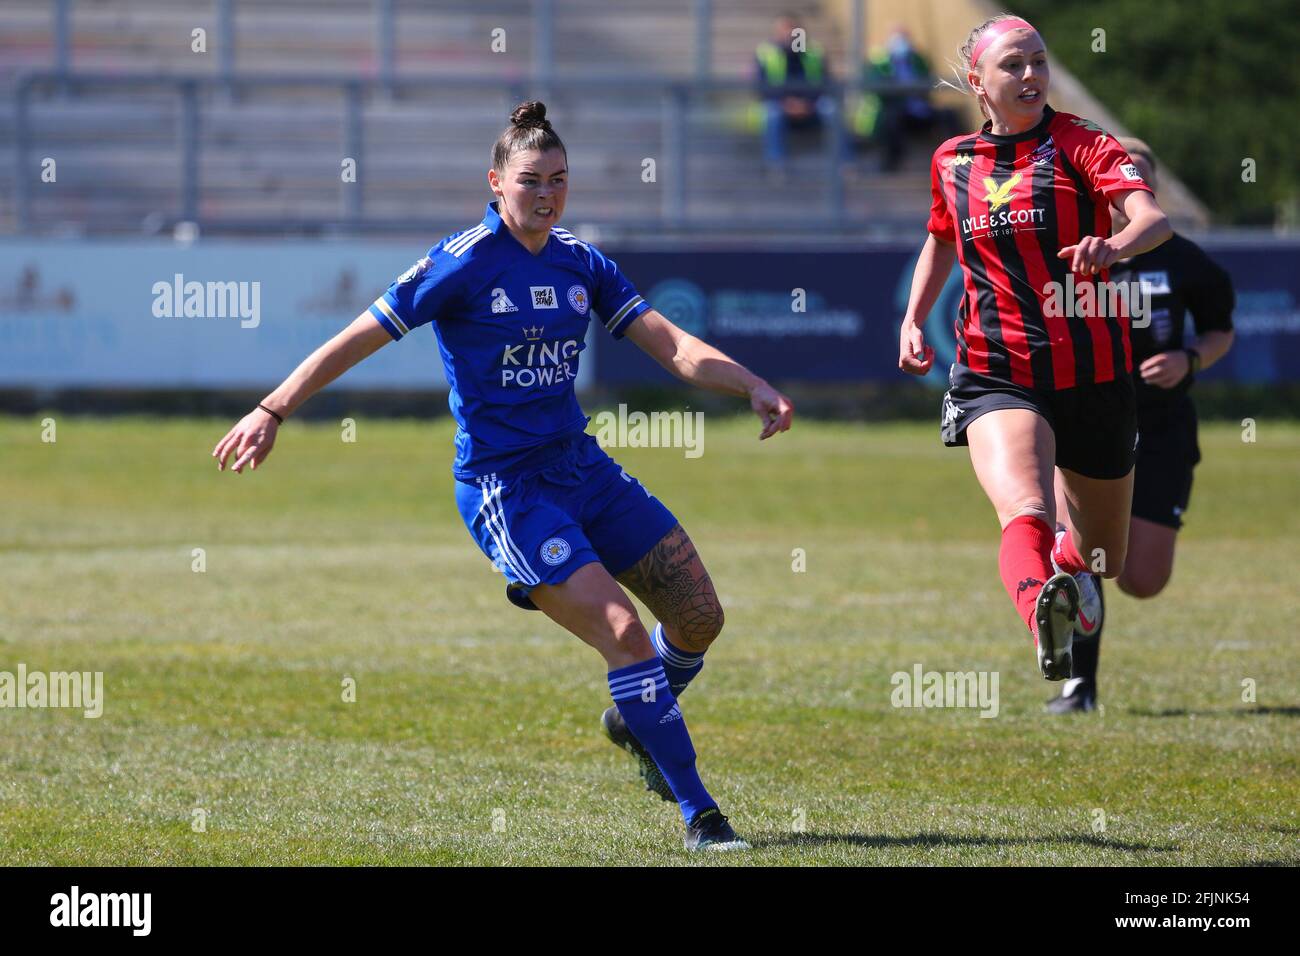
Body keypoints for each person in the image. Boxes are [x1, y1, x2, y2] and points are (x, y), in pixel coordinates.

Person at [211, 101, 795, 852]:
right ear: (495, 182)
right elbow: (359, 336)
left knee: (701, 617)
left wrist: (749, 382)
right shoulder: (460, 263)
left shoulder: (581, 263)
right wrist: (274, 408)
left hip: (583, 468)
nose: (546, 195)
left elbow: (671, 345)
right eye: (530, 181)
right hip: (507, 490)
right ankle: (701, 816)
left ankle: (636, 716)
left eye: (559, 181)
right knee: (624, 634)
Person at [898, 16, 1172, 680]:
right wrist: (913, 317)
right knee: (1024, 505)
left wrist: (1116, 244)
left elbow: (1151, 217)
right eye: (1014, 65)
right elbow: (940, 235)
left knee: (1100, 551)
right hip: (998, 369)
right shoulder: (952, 159)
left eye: (1039, 63)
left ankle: (1069, 579)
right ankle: (1041, 618)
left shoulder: (1080, 142)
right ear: (978, 82)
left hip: (1096, 376)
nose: (1031, 76)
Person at [1048, 138, 1236, 713]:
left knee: (1142, 578)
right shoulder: (1066, 254)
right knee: (1085, 556)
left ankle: (1103, 560)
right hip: (1086, 422)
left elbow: (1219, 330)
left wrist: (1191, 359)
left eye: (1141, 181)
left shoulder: (1185, 261)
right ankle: (1078, 684)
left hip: (1162, 429)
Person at [755, 12, 838, 170]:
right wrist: (786, 103)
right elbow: (761, 86)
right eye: (784, 29)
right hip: (780, 104)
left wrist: (807, 103)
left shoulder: (814, 51)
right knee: (772, 113)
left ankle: (845, 163)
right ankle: (776, 164)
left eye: (792, 29)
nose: (788, 34)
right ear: (776, 32)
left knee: (831, 109)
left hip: (811, 105)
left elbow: (825, 82)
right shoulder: (765, 52)